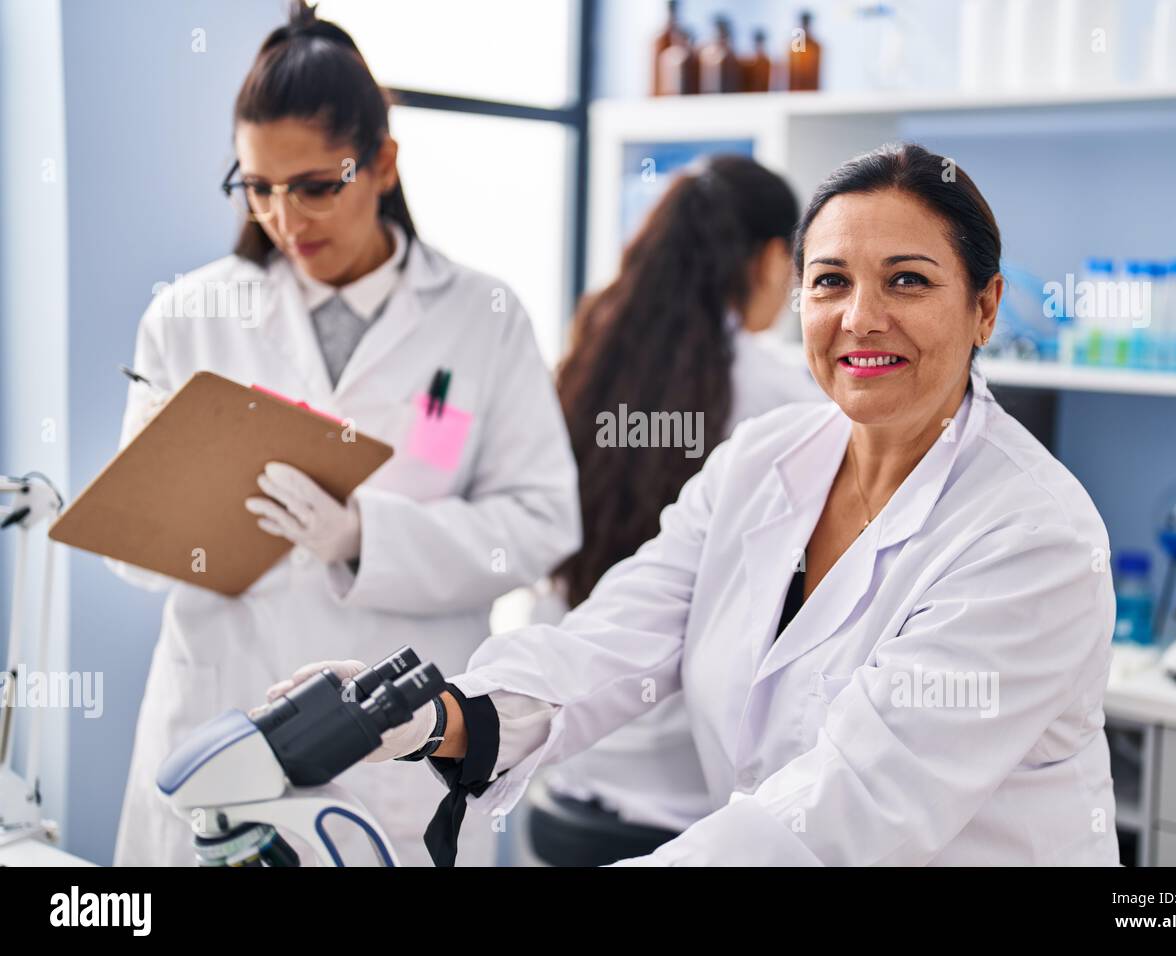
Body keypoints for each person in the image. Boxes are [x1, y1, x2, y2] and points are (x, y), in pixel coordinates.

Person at [272, 143, 1120, 866]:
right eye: (829, 283)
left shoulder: (1031, 534)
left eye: (907, 281)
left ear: (984, 307)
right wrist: (446, 715)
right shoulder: (762, 459)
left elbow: (853, 803)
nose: (861, 318)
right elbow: (615, 640)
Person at [110, 5, 579, 867]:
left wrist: (369, 537)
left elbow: (542, 524)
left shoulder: (481, 320)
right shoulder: (187, 317)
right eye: (259, 188)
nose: (287, 219)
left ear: (384, 162)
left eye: (317, 185)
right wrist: (180, 517)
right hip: (220, 727)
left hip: (397, 756)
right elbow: (130, 549)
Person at [534, 156, 824, 863]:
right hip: (690, 808)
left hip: (565, 775)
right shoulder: (781, 402)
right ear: (766, 259)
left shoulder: (585, 365)